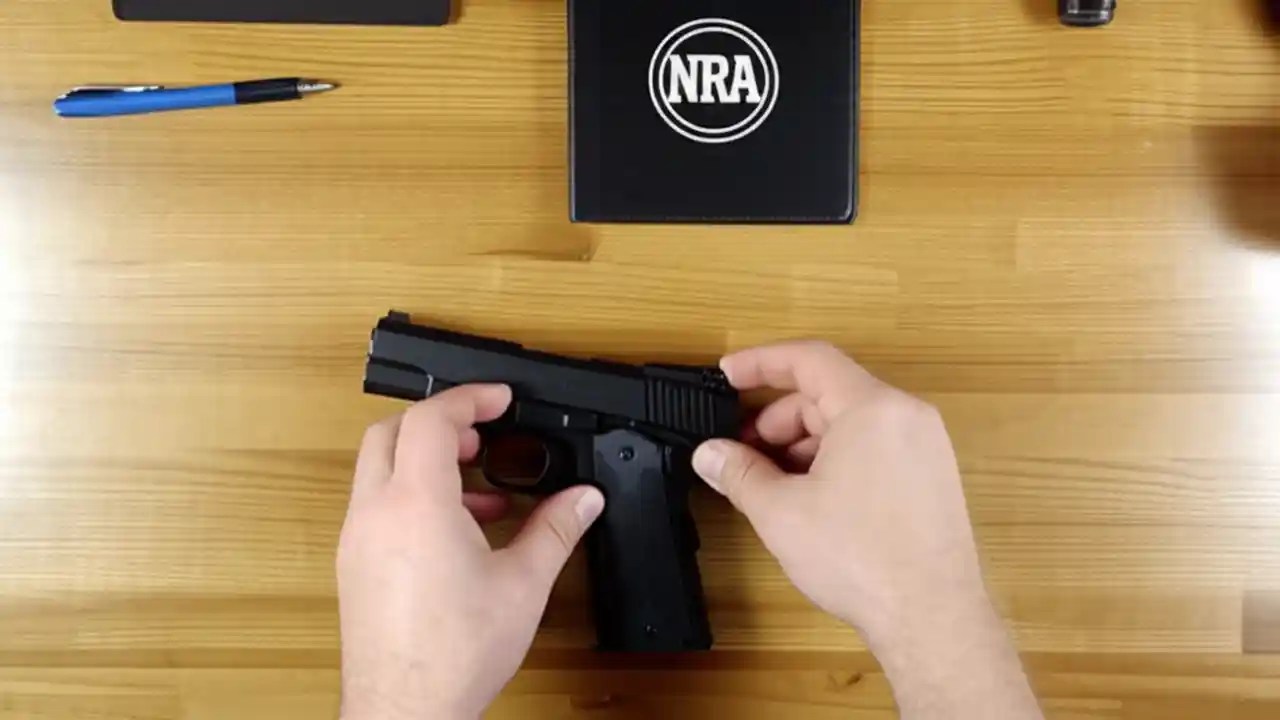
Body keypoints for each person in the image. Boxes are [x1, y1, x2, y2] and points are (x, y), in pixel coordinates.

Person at [337, 341, 1044, 720]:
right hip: (633, 431)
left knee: (625, 474)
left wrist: (398, 701)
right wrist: (935, 610)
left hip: (634, 444)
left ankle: (654, 626)